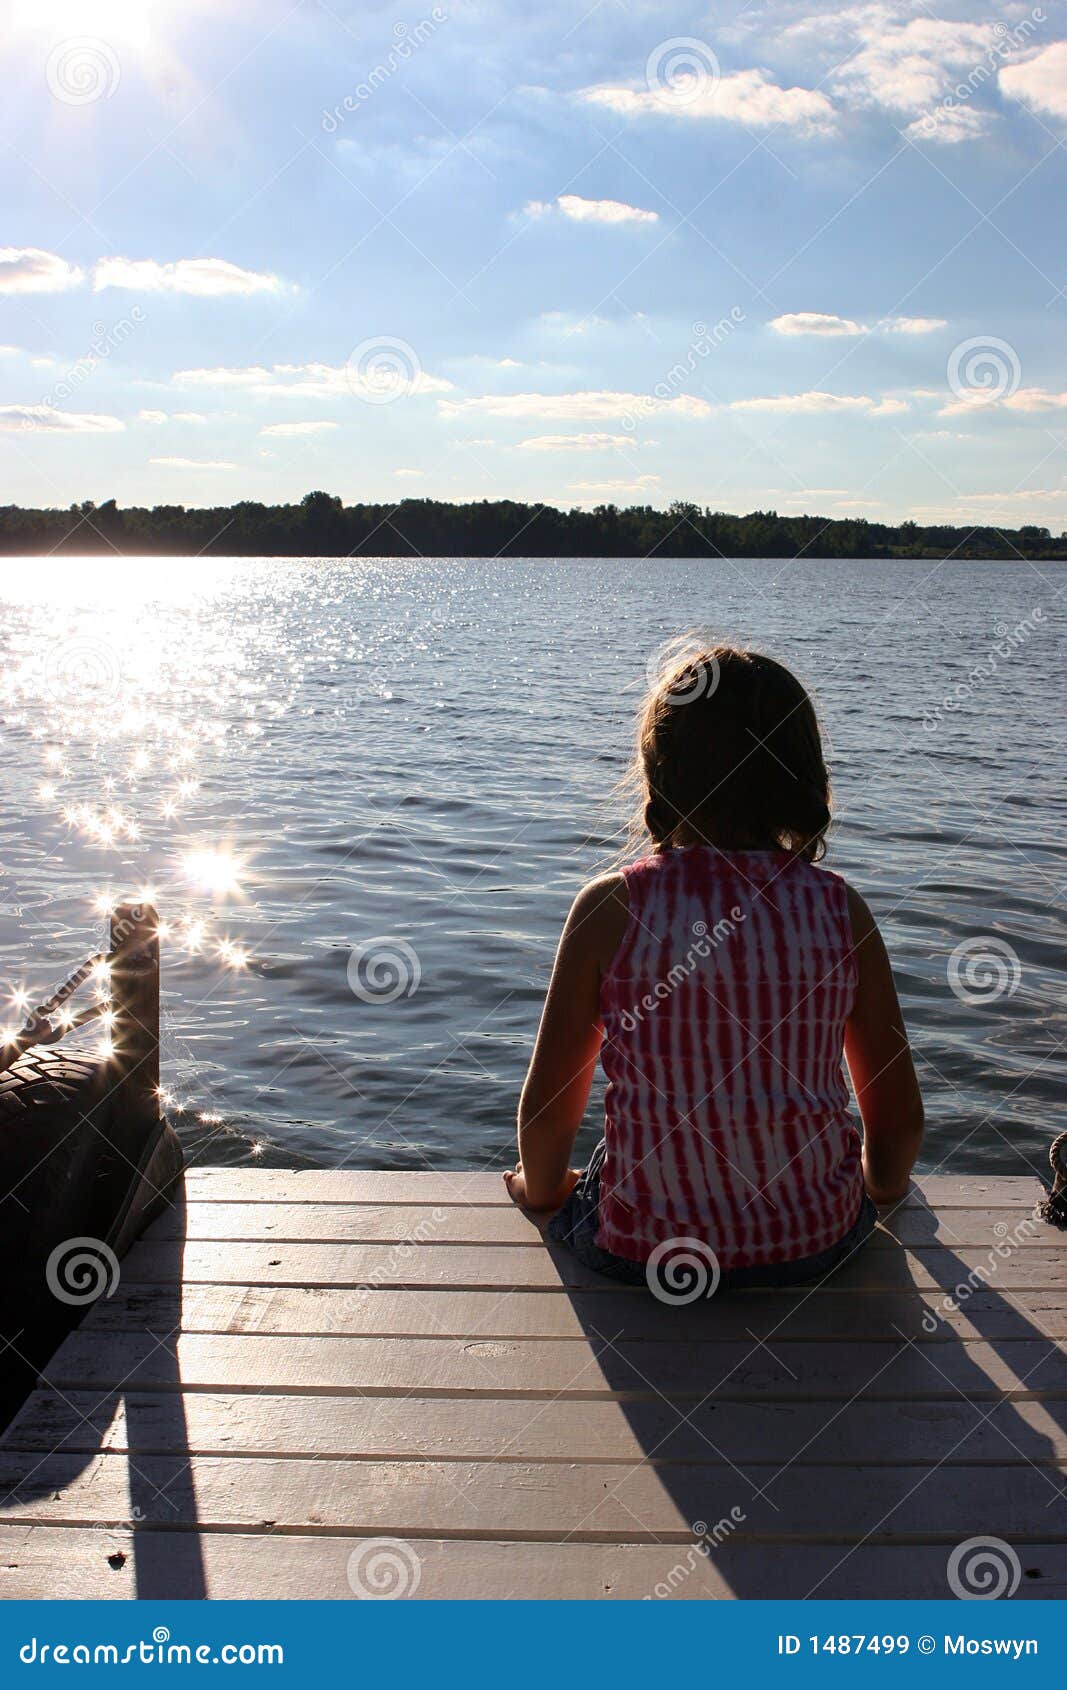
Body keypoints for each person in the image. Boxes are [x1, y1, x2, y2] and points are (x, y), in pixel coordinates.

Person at [505, 643, 924, 1289]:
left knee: (592, 1175)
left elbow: (549, 1110)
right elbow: (894, 1119)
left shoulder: (611, 909)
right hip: (813, 1245)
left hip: (643, 1252)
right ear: (803, 776)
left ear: (659, 776)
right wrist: (878, 1191)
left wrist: (540, 1193)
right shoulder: (841, 910)